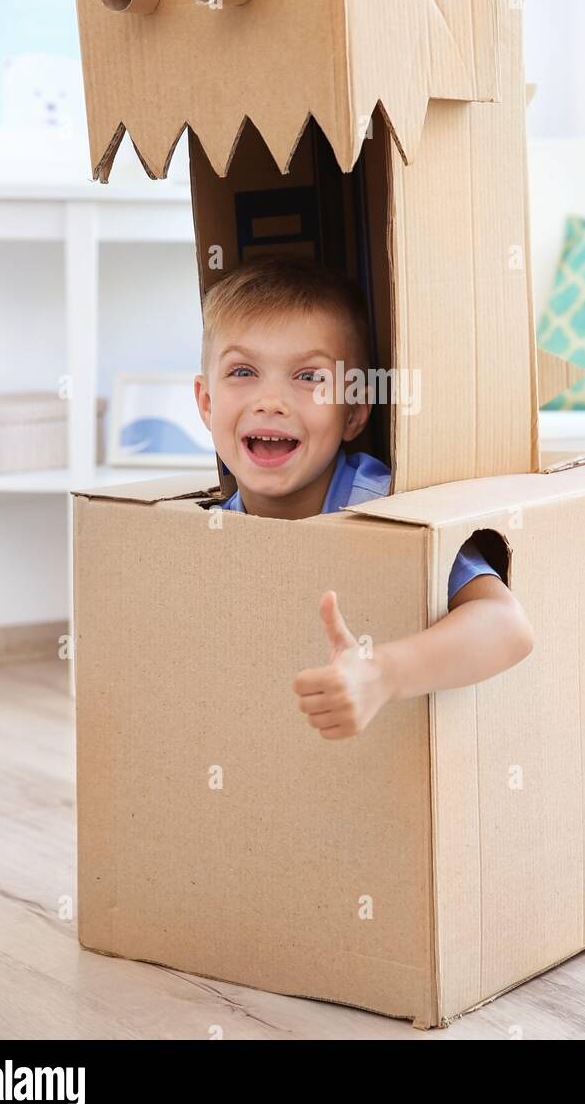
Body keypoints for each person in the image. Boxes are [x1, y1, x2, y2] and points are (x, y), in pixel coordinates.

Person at [195, 255, 534, 740]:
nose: (270, 401)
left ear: (354, 412)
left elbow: (507, 627)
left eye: (309, 377)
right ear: (206, 403)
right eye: (243, 371)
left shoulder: (384, 505)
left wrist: (381, 674)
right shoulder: (202, 533)